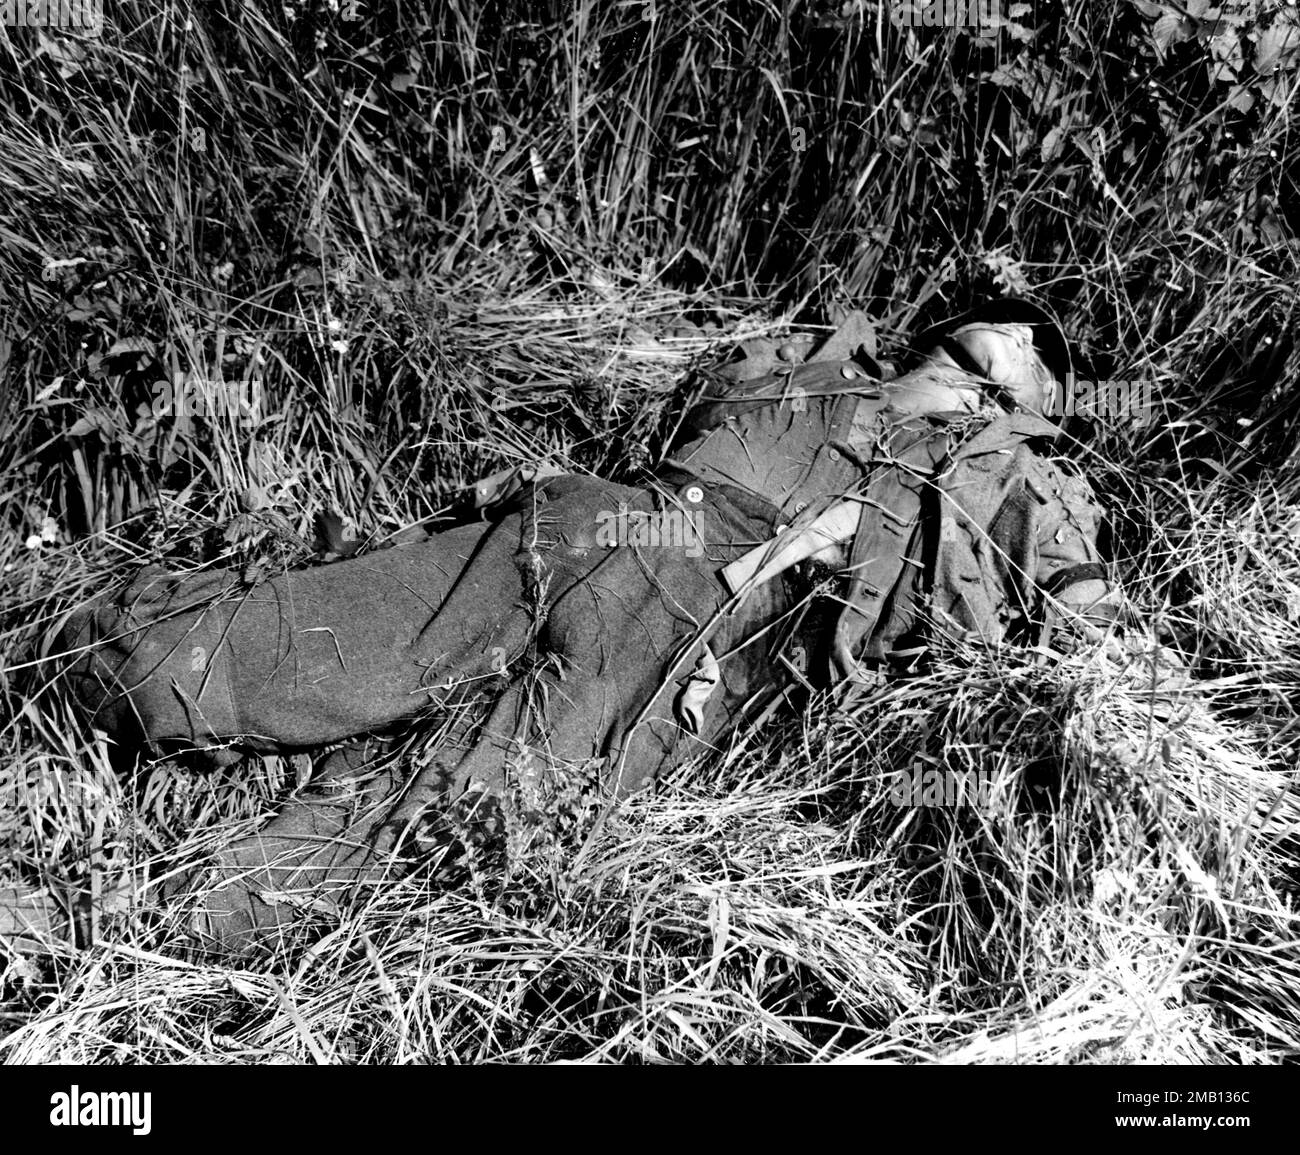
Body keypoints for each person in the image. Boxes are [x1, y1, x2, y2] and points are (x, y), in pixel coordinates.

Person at [25, 300, 1120, 953]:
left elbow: (1092, 626)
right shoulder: (814, 358)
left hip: (688, 646)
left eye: (1042, 353)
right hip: (598, 531)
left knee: (410, 830)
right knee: (215, 660)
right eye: (1012, 320)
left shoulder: (1011, 484)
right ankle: (39, 659)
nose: (1022, 329)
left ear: (1035, 408)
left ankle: (106, 941)